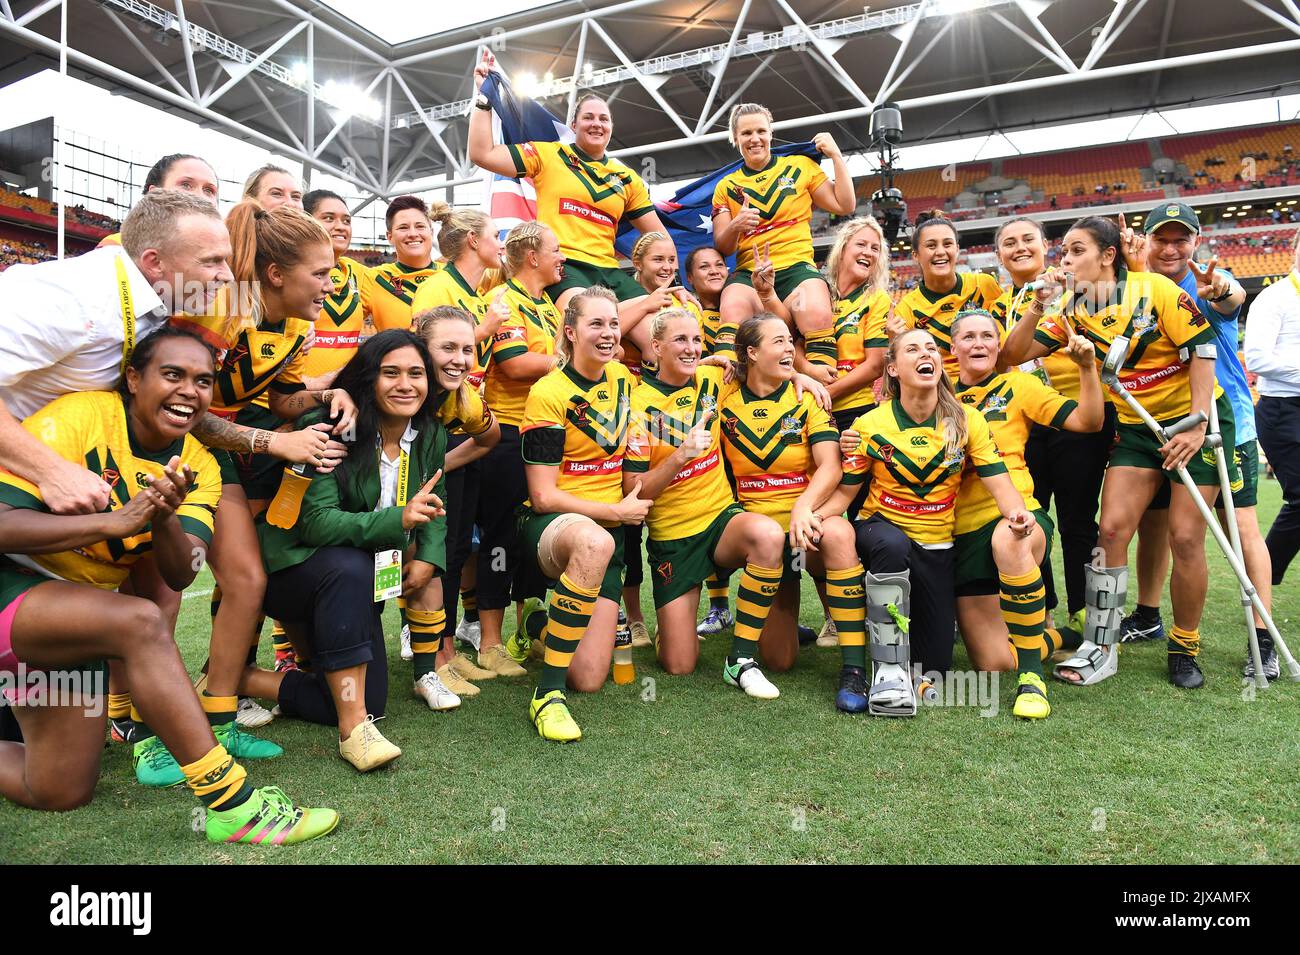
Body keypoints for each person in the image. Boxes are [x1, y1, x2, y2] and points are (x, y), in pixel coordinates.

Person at [0, 328, 337, 843]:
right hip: (16, 589)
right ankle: (233, 805)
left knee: (58, 790)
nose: (189, 391)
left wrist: (161, 520)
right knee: (139, 621)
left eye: (203, 381)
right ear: (134, 378)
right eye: (172, 375)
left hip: (63, 623)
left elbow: (181, 573)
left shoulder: (197, 464)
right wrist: (110, 523)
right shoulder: (81, 416)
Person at [1002, 215, 1235, 689]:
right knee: (1109, 530)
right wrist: (1037, 305)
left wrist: (1196, 425)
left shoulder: (1156, 289)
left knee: (1186, 538)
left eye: (1076, 251)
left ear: (1108, 256)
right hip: (1135, 429)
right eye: (1064, 252)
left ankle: (1184, 646)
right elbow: (1013, 353)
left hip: (1193, 422)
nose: (1065, 261)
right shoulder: (1069, 306)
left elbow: (1204, 351)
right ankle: (1101, 645)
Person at [173, 202, 358, 775]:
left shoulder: (299, 325)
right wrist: (273, 444)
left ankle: (220, 715)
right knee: (185, 584)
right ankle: (164, 721)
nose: (332, 283)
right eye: (321, 273)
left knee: (246, 581)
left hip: (226, 452)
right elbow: (186, 412)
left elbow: (280, 400)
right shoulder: (220, 309)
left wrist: (330, 395)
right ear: (276, 275)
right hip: (174, 449)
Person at [250, 330, 450, 771]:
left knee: (371, 701)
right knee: (351, 564)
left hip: (355, 583)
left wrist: (429, 558)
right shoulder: (329, 425)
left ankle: (249, 680)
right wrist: (398, 519)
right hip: (294, 570)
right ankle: (353, 732)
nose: (406, 384)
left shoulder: (432, 432)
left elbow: (439, 498)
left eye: (416, 373)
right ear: (367, 378)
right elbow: (316, 523)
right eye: (390, 373)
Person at [829, 329, 1026, 715]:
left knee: (934, 666)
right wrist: (812, 517)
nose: (926, 354)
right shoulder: (869, 424)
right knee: (891, 544)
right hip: (879, 531)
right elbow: (844, 495)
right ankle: (886, 670)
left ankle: (899, 650)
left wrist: (1017, 514)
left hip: (938, 545)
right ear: (893, 369)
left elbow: (999, 482)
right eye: (913, 348)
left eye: (932, 348)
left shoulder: (967, 420)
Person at [628, 307, 823, 693]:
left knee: (768, 536)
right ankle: (675, 631)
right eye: (680, 340)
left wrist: (800, 374)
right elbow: (635, 491)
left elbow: (765, 368)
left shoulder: (714, 377)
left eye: (697, 339)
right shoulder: (637, 406)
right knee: (679, 665)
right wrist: (680, 455)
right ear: (655, 347)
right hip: (674, 537)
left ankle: (740, 659)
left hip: (721, 520)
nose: (691, 348)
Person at [1119, 204, 1276, 679]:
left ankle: (1263, 636)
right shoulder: (1137, 282)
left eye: (1180, 239)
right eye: (1160, 239)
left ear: (1197, 240)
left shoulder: (1208, 278)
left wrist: (1224, 292)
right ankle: (1148, 616)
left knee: (1238, 527)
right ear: (1145, 241)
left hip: (1223, 425)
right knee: (1156, 525)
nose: (1171, 249)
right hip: (1158, 425)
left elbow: (1229, 300)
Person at [948, 309, 1104, 718]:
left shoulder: (1019, 384)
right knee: (994, 662)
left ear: (999, 345)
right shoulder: (938, 395)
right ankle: (1062, 635)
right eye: (968, 337)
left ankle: (1031, 680)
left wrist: (1087, 368)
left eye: (987, 336)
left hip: (1018, 516)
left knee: (1009, 538)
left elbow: (1089, 421)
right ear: (953, 348)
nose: (978, 344)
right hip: (958, 533)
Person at [516, 287, 643, 742]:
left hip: (608, 530)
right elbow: (544, 496)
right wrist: (615, 511)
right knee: (596, 541)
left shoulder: (624, 380)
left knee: (589, 677)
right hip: (554, 526)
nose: (608, 333)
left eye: (613, 323)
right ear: (570, 333)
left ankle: (537, 622)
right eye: (596, 324)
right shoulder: (548, 392)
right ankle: (546, 698)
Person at [718, 314, 866, 700]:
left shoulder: (807, 397)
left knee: (838, 531)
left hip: (806, 520)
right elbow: (686, 367)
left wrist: (804, 507)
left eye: (790, 341)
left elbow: (832, 465)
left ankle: (854, 667)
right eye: (779, 342)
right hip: (759, 531)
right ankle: (773, 620)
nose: (790, 350)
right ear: (751, 352)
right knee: (781, 660)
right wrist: (715, 361)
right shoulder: (722, 394)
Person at [468, 52, 669, 313]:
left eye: (603, 119)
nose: (596, 124)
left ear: (610, 127)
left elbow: (659, 237)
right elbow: (482, 153)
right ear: (573, 125)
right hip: (565, 267)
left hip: (612, 272)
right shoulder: (548, 154)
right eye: (588, 117)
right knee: (587, 317)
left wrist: (665, 275)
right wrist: (484, 99)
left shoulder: (627, 178)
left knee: (664, 328)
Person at [994, 216, 1114, 636]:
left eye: (1028, 239)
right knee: (1029, 514)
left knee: (1078, 519)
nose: (1019, 247)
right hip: (1022, 421)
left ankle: (1085, 610)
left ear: (1046, 245)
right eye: (1009, 242)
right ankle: (1040, 610)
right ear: (999, 254)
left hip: (1071, 416)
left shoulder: (1073, 286)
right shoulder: (999, 300)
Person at [476, 222, 563, 677]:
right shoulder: (506, 301)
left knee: (533, 533)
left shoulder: (543, 303)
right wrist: (571, 361)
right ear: (532, 256)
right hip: (508, 433)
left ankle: (524, 630)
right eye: (555, 250)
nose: (562, 256)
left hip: (542, 431)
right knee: (499, 537)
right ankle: (490, 643)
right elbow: (513, 365)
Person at [711, 104, 856, 376]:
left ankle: (821, 395)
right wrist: (735, 225)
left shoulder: (801, 166)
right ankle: (723, 392)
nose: (754, 138)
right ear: (735, 138)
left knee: (816, 313)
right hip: (749, 274)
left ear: (771, 133)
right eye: (746, 133)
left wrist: (836, 156)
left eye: (760, 131)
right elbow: (723, 245)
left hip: (797, 269)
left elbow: (844, 204)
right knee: (731, 309)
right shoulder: (726, 186)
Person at [413, 306, 500, 696]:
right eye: (447, 347)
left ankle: (444, 649)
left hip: (437, 466)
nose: (460, 359)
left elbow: (489, 437)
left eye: (467, 349)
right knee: (415, 559)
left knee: (453, 551)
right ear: (420, 345)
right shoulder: (397, 383)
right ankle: (428, 656)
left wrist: (439, 467)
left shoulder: (462, 397)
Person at [684, 245, 739, 637]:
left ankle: (769, 606)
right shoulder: (685, 313)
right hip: (704, 418)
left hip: (751, 423)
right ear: (691, 277)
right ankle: (718, 606)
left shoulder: (743, 301)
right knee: (710, 513)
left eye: (720, 263)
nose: (715, 270)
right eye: (704, 266)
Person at [1244, 229, 1300, 592]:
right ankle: (1262, 576)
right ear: (1294, 251)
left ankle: (1264, 574)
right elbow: (1257, 358)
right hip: (1285, 409)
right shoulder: (1274, 298)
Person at [893, 210, 1003, 379]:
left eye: (947, 244)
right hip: (943, 395)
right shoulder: (906, 308)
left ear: (957, 249)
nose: (940, 252)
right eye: (931, 245)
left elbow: (1004, 344)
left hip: (994, 389)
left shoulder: (984, 285)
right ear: (915, 255)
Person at [300, 189, 373, 392]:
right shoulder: (285, 270)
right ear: (306, 221)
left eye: (346, 221)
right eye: (329, 218)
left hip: (339, 398)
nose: (340, 227)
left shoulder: (361, 274)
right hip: (279, 397)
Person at [97, 153, 220, 247]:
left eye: (209, 190)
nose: (200, 196)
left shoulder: (226, 260)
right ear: (154, 194)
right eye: (186, 185)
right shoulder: (118, 248)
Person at [363, 196, 443, 333]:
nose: (413, 234)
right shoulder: (373, 278)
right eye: (403, 228)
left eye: (420, 226)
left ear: (431, 231)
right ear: (390, 237)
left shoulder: (453, 275)